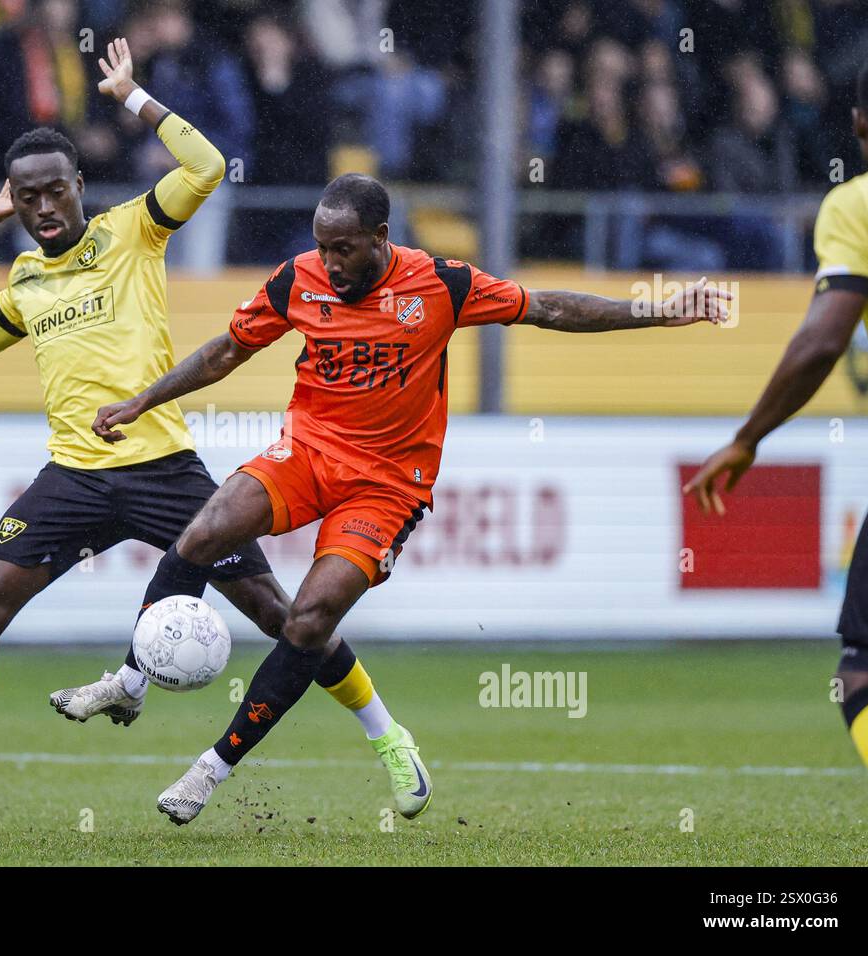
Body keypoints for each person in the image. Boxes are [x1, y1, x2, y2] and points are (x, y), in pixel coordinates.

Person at [0, 39, 413, 833]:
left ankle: (388, 737)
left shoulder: (132, 230)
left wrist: (133, 98)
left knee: (277, 612)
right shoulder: (27, 276)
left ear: (79, 187)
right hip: (75, 477)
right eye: (26, 199)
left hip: (163, 470)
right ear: (13, 202)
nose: (43, 208)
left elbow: (208, 168)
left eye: (55, 191)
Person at [92, 173, 731, 825]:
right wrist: (143, 401)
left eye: (343, 249)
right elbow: (227, 351)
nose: (330, 263)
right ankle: (133, 684)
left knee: (309, 620)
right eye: (322, 247)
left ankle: (211, 767)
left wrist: (659, 308)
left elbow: (547, 308)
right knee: (201, 536)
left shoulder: (441, 284)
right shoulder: (297, 279)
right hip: (306, 454)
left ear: (381, 238)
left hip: (388, 485)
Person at [685, 52, 868, 806]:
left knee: (867, 671)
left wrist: (747, 437)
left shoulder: (859, 205)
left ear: (860, 122)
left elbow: (822, 340)